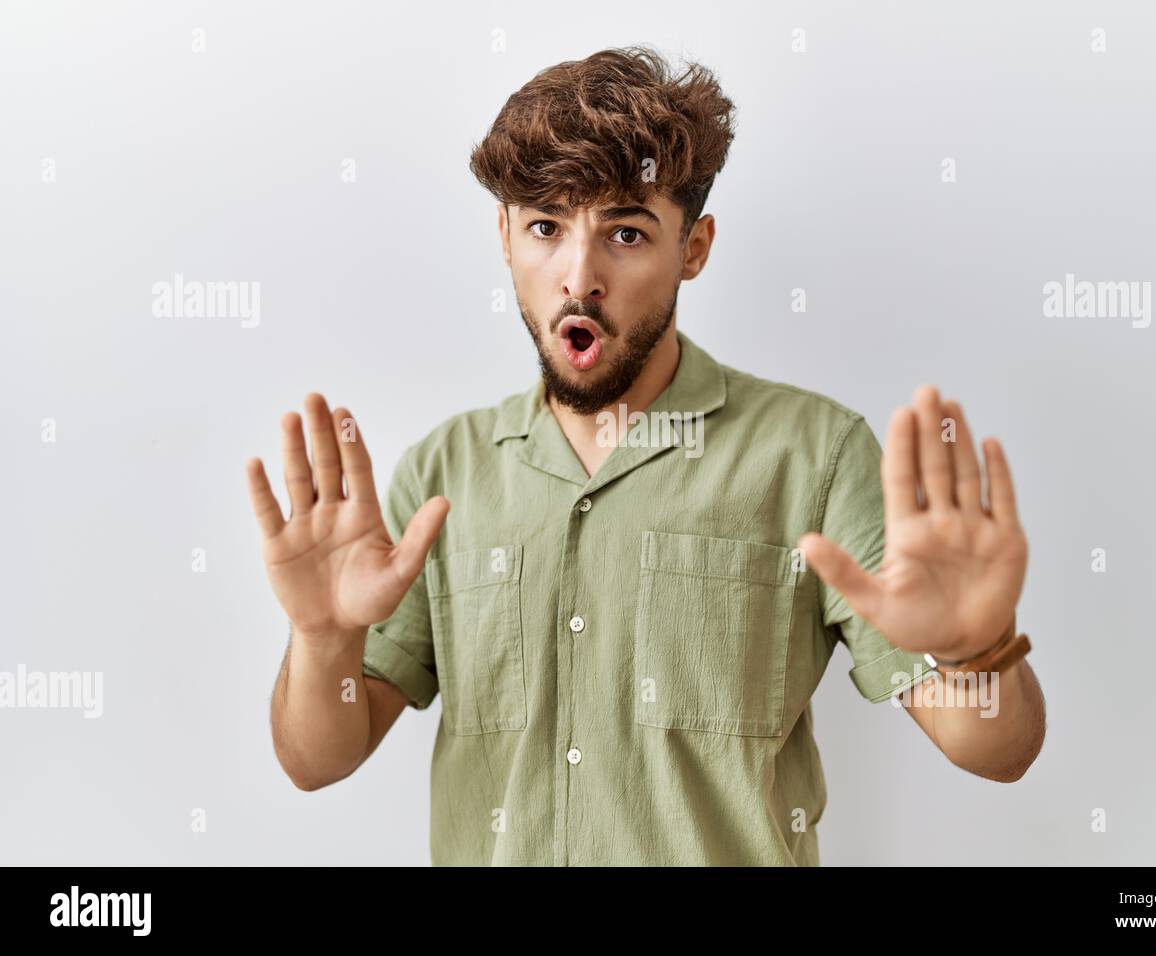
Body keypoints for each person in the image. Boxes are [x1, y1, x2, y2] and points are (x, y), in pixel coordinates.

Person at [246, 45, 1045, 866]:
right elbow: (318, 759)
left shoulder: (816, 456)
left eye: (626, 231)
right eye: (546, 228)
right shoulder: (441, 476)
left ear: (693, 248)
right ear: (505, 237)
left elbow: (996, 750)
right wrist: (321, 638)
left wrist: (972, 651)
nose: (578, 277)